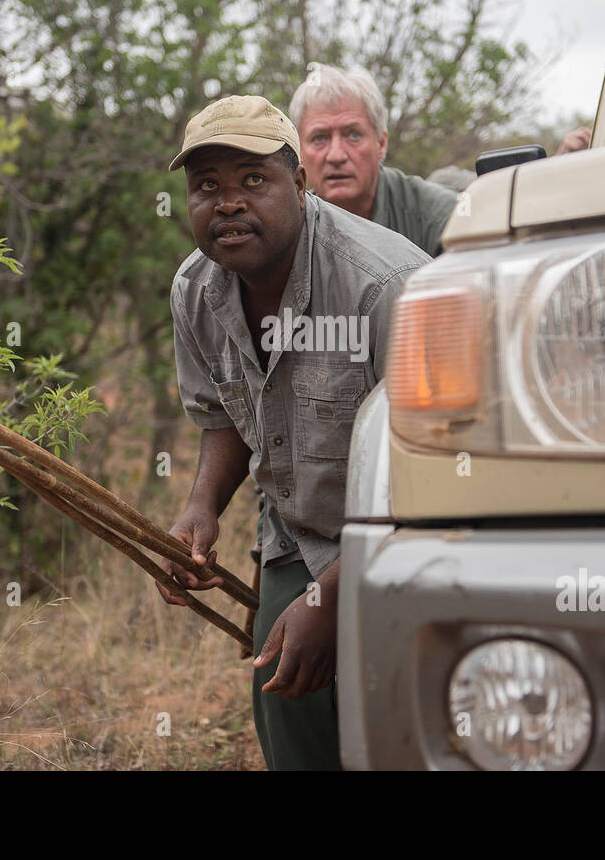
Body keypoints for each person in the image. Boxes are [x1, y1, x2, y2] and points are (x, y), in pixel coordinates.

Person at [156, 95, 430, 770]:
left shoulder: (386, 288)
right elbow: (222, 415)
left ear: (299, 186)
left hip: (414, 536)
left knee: (404, 720)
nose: (227, 203)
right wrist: (200, 510)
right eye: (207, 186)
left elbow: (436, 467)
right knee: (286, 701)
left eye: (253, 180)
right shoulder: (195, 290)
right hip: (297, 532)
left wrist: (332, 598)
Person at [289, 64, 593, 256]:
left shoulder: (439, 218)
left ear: (381, 143)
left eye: (353, 135)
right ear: (300, 151)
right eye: (319, 138)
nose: (337, 155)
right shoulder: (289, 229)